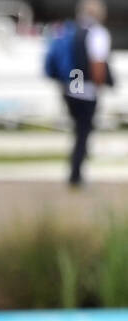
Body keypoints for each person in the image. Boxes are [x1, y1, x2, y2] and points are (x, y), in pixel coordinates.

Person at [62, 0, 115, 187]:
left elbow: (73, 67)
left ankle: (75, 169)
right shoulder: (97, 34)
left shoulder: (71, 30)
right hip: (87, 90)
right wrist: (99, 87)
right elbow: (97, 65)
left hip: (71, 88)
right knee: (83, 133)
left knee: (78, 131)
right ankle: (76, 174)